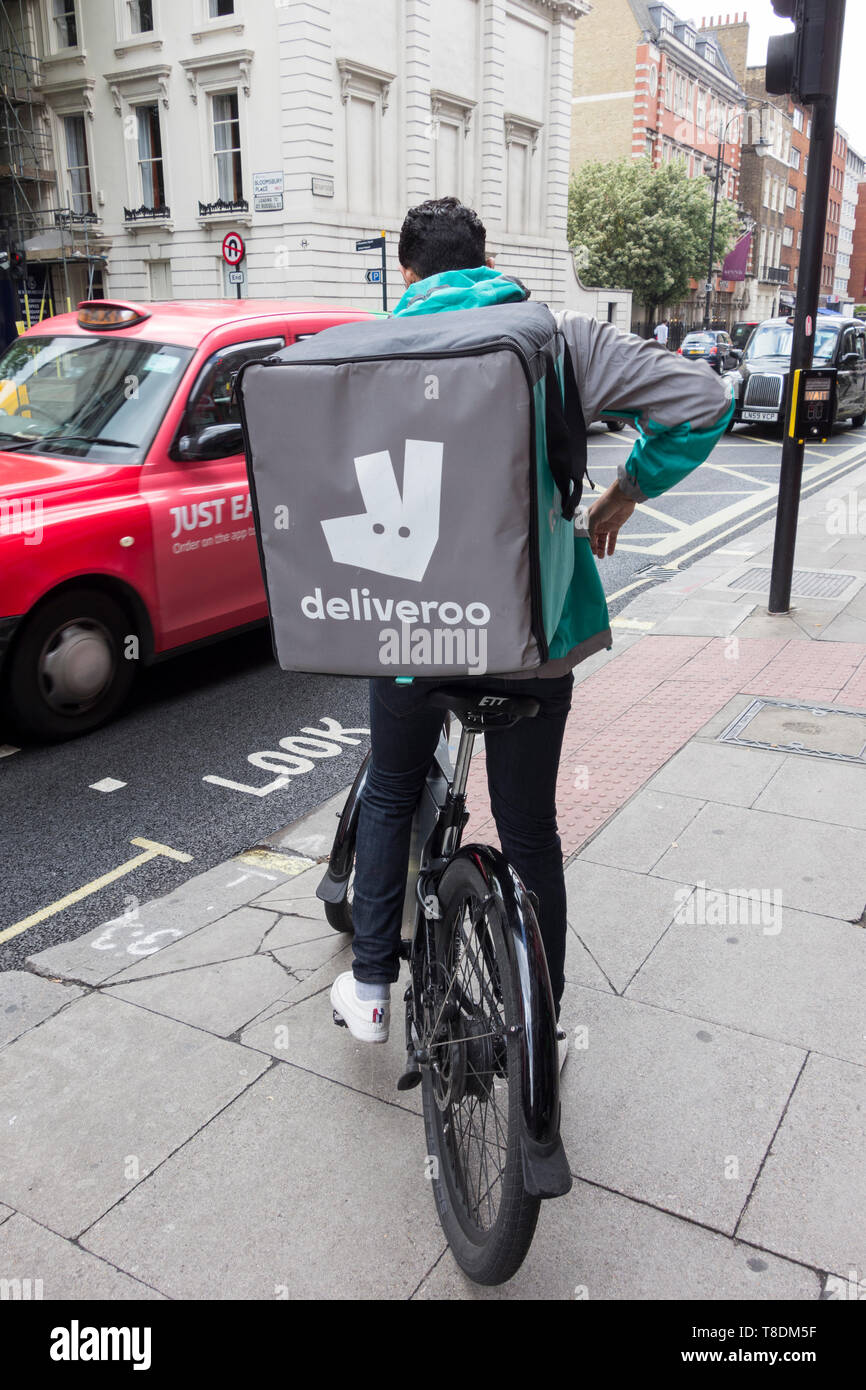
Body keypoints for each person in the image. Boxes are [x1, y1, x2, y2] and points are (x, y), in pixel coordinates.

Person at [330, 198, 732, 1062]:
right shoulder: (559, 337)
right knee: (530, 831)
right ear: (490, 262)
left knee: (392, 792)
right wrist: (631, 487)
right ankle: (539, 1021)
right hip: (532, 634)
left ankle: (369, 988)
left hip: (410, 632)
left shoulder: (367, 348)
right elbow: (702, 398)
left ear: (408, 275)